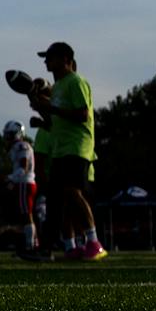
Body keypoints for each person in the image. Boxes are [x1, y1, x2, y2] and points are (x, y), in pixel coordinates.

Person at [24, 42, 104, 261]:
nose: (46, 61)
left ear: (65, 59)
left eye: (50, 57)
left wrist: (51, 108)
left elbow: (82, 115)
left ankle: (93, 241)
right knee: (55, 201)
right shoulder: (59, 87)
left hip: (78, 146)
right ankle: (47, 249)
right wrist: (35, 100)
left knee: (72, 191)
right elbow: (53, 119)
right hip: (61, 149)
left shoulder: (76, 82)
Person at [3, 120, 47, 261]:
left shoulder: (21, 146)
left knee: (26, 215)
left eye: (10, 134)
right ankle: (30, 244)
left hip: (24, 183)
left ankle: (30, 246)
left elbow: (24, 167)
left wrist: (10, 178)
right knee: (25, 215)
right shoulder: (19, 146)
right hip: (25, 183)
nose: (7, 137)